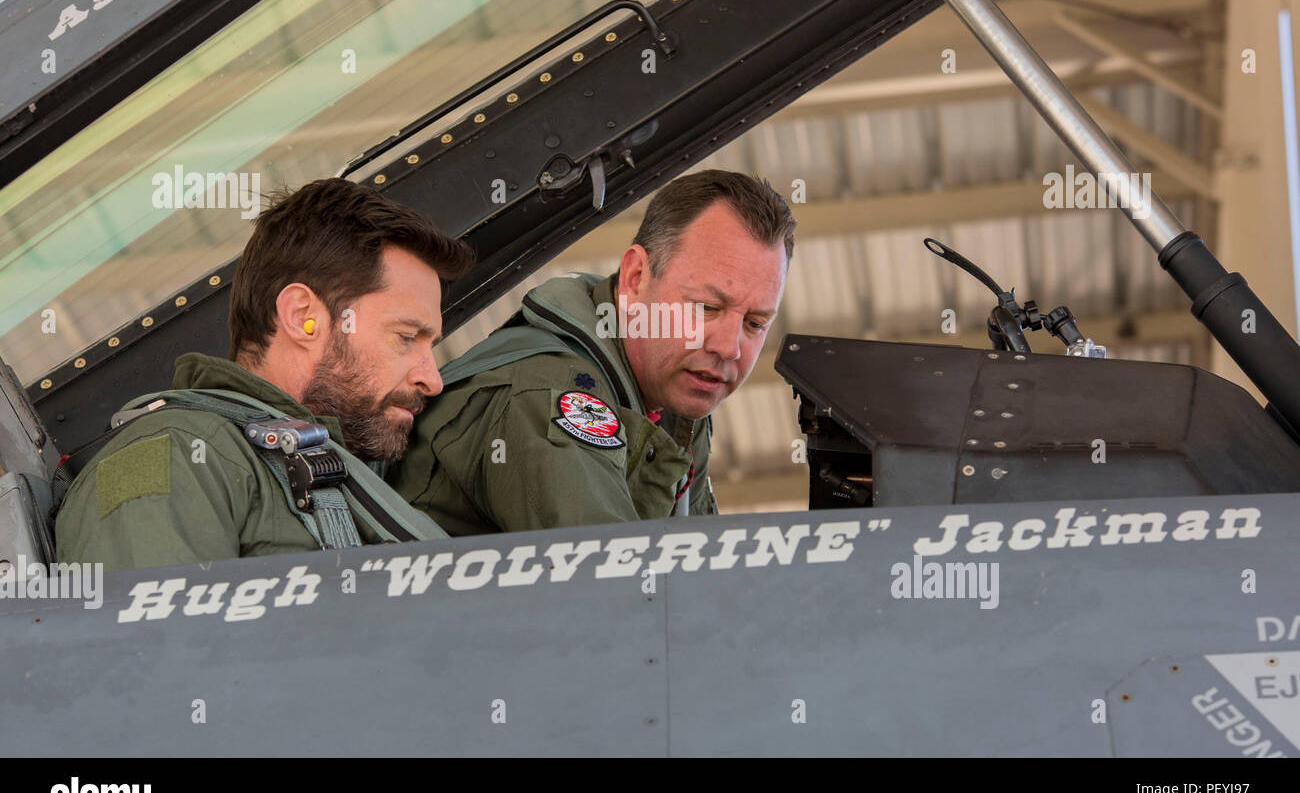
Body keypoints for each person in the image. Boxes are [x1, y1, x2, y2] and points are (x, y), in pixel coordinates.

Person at [55, 178, 473, 570]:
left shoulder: (324, 465)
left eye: (430, 345)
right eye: (405, 337)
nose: (432, 380)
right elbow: (148, 647)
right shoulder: (166, 461)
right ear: (303, 317)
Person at [387, 169, 795, 534]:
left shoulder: (678, 401)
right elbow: (621, 599)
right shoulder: (551, 398)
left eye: (755, 324)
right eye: (707, 307)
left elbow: (705, 578)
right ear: (636, 277)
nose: (727, 347)